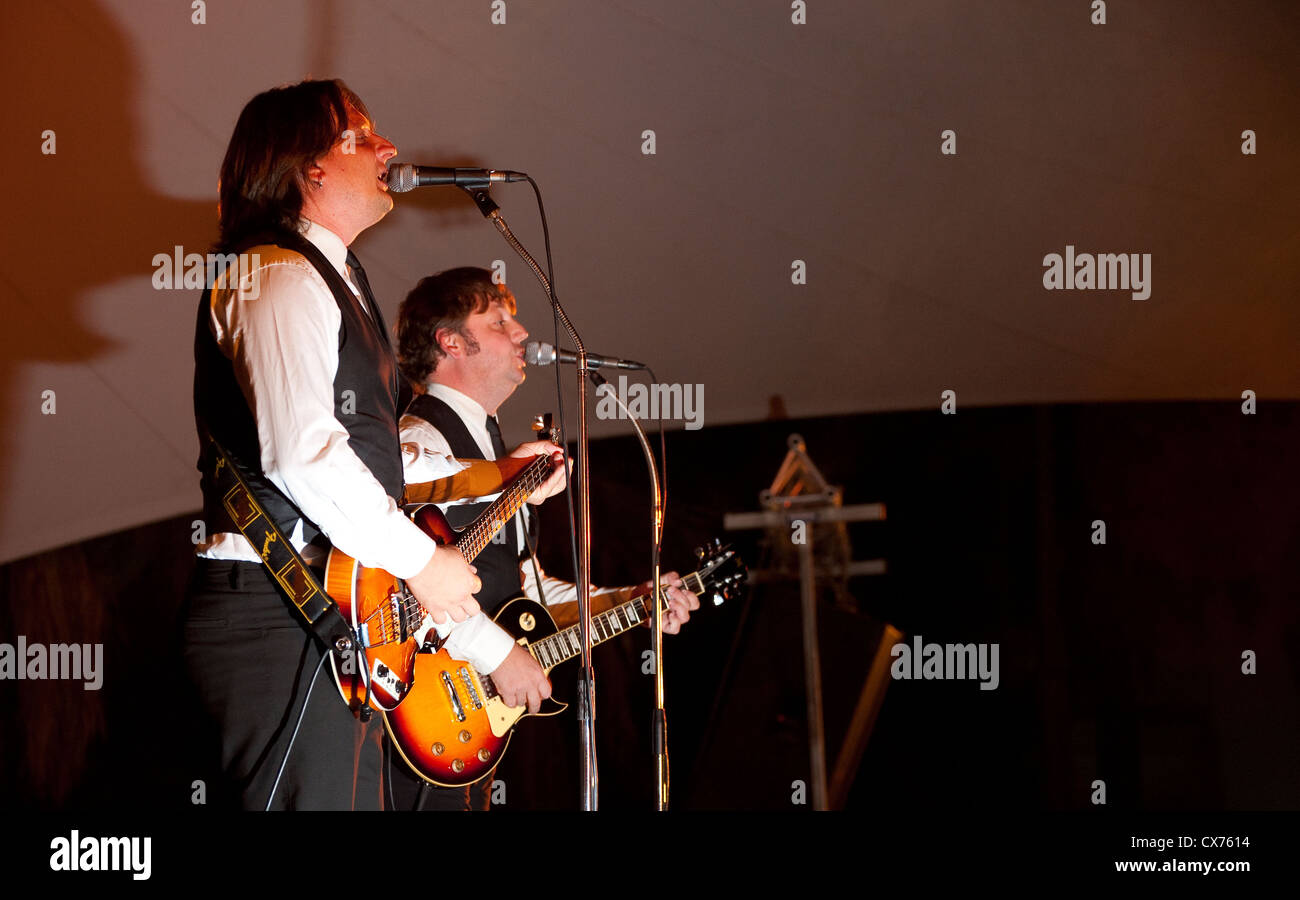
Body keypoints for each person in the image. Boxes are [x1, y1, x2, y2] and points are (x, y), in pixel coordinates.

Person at [184, 79, 481, 811]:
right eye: (363, 134)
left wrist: (490, 478)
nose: (390, 148)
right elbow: (303, 455)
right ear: (308, 165)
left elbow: (366, 451)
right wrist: (421, 563)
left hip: (321, 614)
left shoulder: (337, 280)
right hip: (277, 611)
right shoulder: (276, 273)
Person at [392, 267, 700, 809]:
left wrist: (632, 599)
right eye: (498, 322)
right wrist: (498, 654)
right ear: (450, 342)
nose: (521, 334)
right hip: (421, 706)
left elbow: (526, 588)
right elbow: (399, 575)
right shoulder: (421, 442)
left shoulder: (490, 450)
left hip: (467, 727)